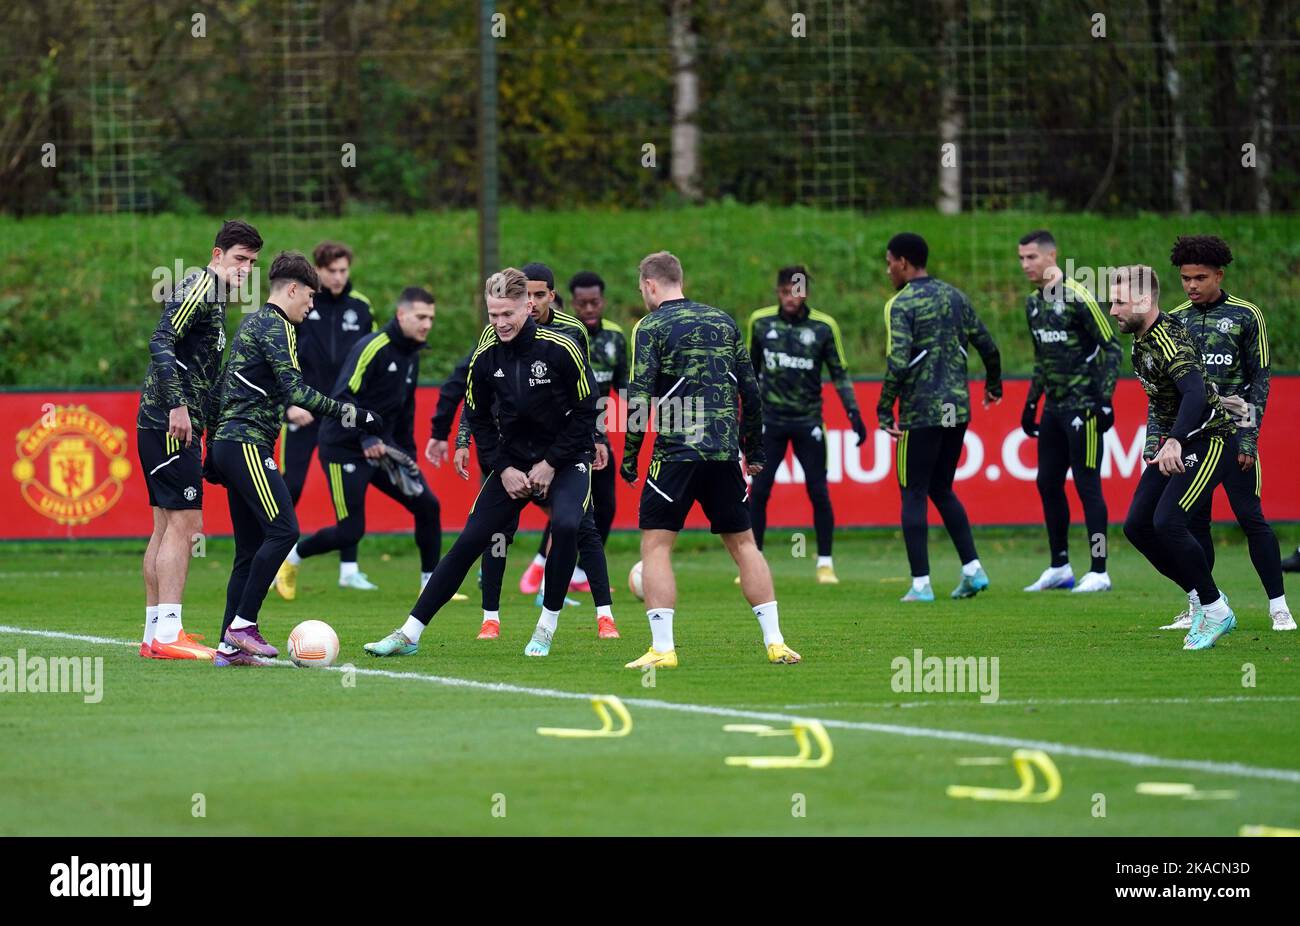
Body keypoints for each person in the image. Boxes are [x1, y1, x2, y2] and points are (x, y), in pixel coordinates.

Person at [365, 268, 600, 658]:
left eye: (507, 314)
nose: (500, 323)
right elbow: (477, 417)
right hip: (513, 464)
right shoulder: (486, 354)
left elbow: (586, 411)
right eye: (493, 314)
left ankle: (545, 627)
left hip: (565, 460)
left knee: (566, 526)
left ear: (527, 306)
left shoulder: (562, 348)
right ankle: (409, 634)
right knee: (470, 541)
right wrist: (503, 469)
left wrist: (551, 463)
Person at [621, 250, 801, 668]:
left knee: (656, 546)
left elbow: (639, 398)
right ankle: (776, 642)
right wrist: (754, 450)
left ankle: (663, 649)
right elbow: (751, 390)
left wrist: (630, 458)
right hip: (723, 452)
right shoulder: (723, 321)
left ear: (649, 285)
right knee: (745, 545)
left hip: (676, 455)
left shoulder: (650, 326)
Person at [206, 252, 383, 666]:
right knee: (285, 531)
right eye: (310, 295)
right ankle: (242, 626)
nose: (312, 304)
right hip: (248, 443)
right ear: (292, 289)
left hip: (231, 444)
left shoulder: (251, 322)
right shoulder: (279, 325)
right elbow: (297, 392)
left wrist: (212, 449)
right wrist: (354, 414)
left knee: (248, 551)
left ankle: (228, 648)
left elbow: (218, 390)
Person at [135, 219, 262, 660]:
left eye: (252, 263)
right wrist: (176, 405)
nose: (245, 268)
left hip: (170, 424)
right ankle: (170, 632)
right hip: (170, 423)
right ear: (217, 255)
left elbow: (202, 372)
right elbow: (161, 339)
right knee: (186, 526)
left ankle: (155, 634)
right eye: (239, 258)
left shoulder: (216, 297)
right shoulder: (201, 286)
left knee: (165, 526)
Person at [277, 287, 452, 600]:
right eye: (421, 317)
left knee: (428, 505)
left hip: (381, 448)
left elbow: (405, 411)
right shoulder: (373, 347)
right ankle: (293, 557)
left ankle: (431, 586)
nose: (427, 324)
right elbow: (343, 396)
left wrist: (408, 456)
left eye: (431, 318)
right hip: (344, 446)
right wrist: (366, 435)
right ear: (401, 315)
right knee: (350, 531)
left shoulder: (412, 355)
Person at [1164, 236, 1291, 631]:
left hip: (1234, 434)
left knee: (1250, 517)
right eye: (1185, 278)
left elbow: (1260, 381)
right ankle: (1203, 606)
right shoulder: (1175, 320)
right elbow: (1169, 389)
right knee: (1193, 522)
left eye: (1200, 278)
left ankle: (1279, 607)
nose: (1191, 285)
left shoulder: (1246, 315)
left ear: (1219, 275)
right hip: (1196, 437)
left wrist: (1249, 438)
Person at [1111, 264, 1241, 649]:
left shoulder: (1169, 338)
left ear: (1144, 300)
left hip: (1212, 439)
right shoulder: (1141, 341)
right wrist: (1157, 443)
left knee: (1168, 522)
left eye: (1120, 302)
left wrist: (1176, 441)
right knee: (1137, 526)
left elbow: (1195, 394)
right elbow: (1160, 401)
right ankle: (1204, 598)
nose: (1113, 310)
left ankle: (1215, 610)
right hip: (1180, 440)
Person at [877, 232, 1002, 602]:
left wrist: (884, 407)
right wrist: (993, 385)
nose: (888, 270)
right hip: (956, 411)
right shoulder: (956, 297)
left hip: (921, 412)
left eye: (889, 263)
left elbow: (898, 361)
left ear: (903, 262)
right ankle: (973, 570)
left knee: (913, 491)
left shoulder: (901, 303)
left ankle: (921, 584)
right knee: (941, 488)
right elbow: (989, 346)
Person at [747, 265, 866, 584]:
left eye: (796, 291)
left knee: (818, 490)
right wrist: (744, 419)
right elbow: (749, 374)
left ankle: (825, 563)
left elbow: (839, 373)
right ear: (778, 292)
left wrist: (853, 413)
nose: (790, 298)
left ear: (806, 293)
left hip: (808, 421)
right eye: (785, 291)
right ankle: (753, 561)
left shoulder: (823, 327)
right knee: (759, 491)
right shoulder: (760, 323)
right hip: (770, 421)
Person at [1017, 229, 1121, 593]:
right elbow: (1042, 360)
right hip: (1054, 409)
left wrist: (1104, 398)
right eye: (1021, 258)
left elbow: (1112, 347)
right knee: (1047, 482)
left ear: (1052, 256)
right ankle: (1059, 566)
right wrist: (1031, 403)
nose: (1025, 264)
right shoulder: (1033, 304)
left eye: (1031, 257)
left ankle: (1099, 570)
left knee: (1087, 485)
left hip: (1084, 409)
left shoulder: (1079, 296)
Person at [279, 241, 378, 590]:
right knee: (290, 486)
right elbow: (281, 357)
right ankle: (276, 557)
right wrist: (290, 403)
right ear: (318, 271)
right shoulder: (302, 304)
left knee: (349, 491)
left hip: (342, 414)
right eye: (331, 271)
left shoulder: (361, 307)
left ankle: (349, 570)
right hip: (305, 409)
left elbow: (371, 359)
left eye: (343, 270)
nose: (338, 277)